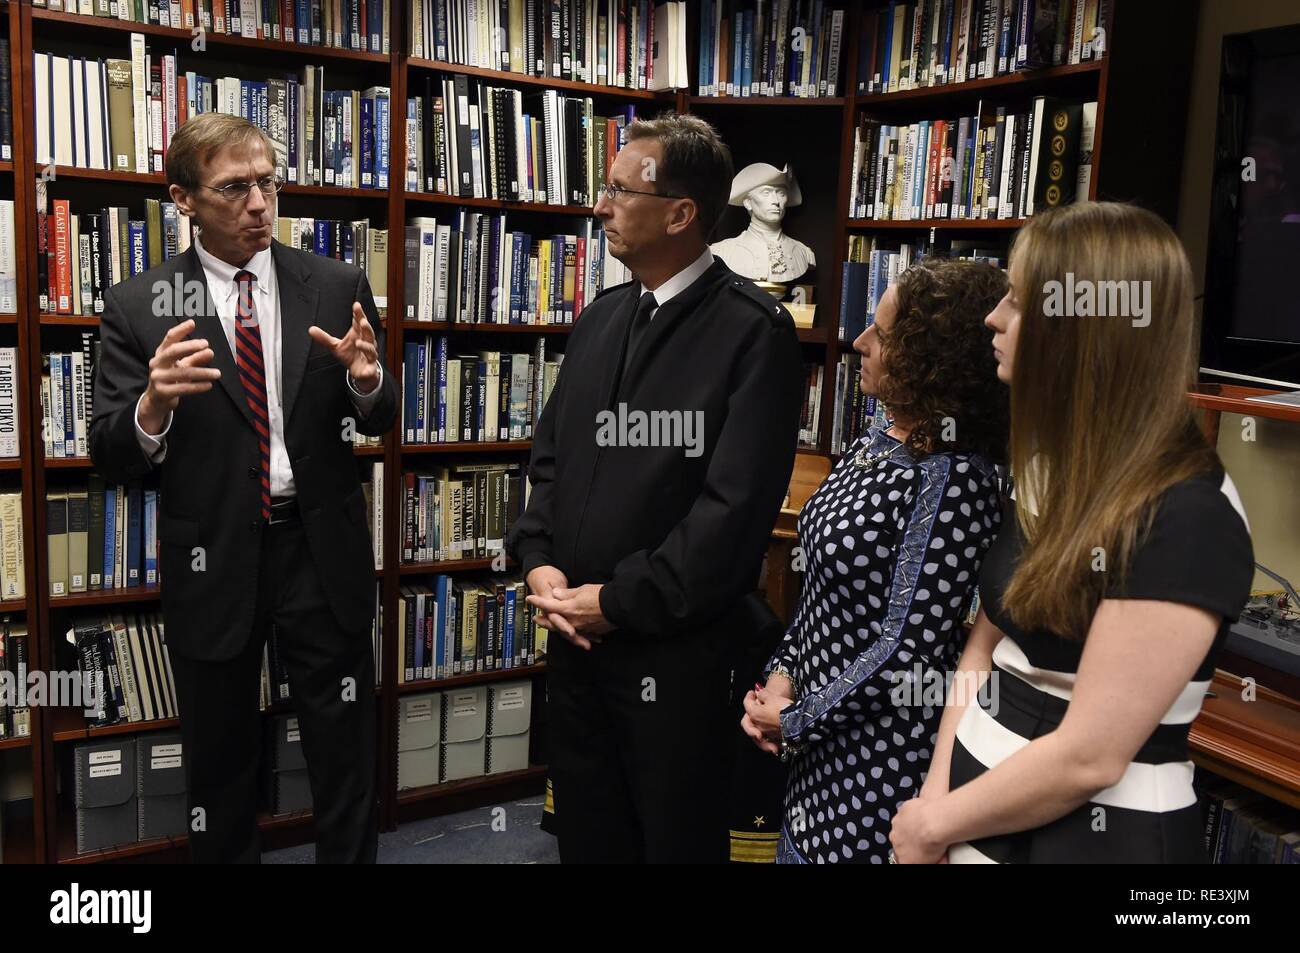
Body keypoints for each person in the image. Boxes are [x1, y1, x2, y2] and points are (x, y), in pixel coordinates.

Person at [889, 201, 1255, 864]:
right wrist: (936, 798)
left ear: (1085, 331)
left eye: (1019, 302)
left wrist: (935, 825)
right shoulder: (1048, 468)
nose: (992, 317)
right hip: (967, 813)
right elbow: (985, 649)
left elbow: (1089, 756)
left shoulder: (1188, 516)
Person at [89, 112, 398, 863]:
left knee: (345, 752)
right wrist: (153, 407)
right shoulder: (139, 304)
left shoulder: (334, 284)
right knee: (220, 764)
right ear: (182, 199)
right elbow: (109, 454)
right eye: (234, 188)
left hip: (319, 549)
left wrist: (368, 383)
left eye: (268, 183)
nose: (259, 203)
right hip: (213, 558)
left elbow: (383, 416)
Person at [508, 113, 804, 863]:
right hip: (573, 641)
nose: (601, 207)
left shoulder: (753, 332)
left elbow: (731, 517)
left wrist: (614, 601)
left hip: (672, 663)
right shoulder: (602, 316)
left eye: (619, 190)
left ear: (681, 213)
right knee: (587, 835)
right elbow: (551, 459)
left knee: (670, 842)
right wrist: (539, 560)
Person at [742, 257, 1010, 864]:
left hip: (879, 765)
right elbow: (820, 594)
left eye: (883, 336)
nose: (860, 342)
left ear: (932, 360)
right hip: (814, 749)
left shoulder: (954, 475)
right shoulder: (879, 436)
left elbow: (907, 649)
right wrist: (780, 678)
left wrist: (798, 719)